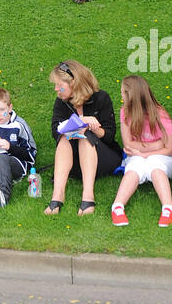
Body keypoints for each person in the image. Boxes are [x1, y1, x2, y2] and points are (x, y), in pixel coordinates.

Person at [45, 59, 122, 216]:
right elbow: (55, 131)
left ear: (74, 83)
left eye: (59, 85)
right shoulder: (61, 102)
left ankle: (88, 196)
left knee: (85, 135)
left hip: (102, 159)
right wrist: (80, 122)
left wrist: (94, 128)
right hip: (74, 162)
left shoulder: (101, 98)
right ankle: (57, 197)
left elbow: (109, 136)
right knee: (64, 137)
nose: (56, 89)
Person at [111, 76, 172, 228]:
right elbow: (128, 144)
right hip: (137, 155)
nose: (121, 95)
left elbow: (171, 148)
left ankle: (168, 207)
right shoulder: (125, 112)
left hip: (165, 157)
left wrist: (144, 153)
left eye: (123, 92)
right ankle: (117, 206)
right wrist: (157, 144)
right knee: (135, 165)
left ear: (131, 95)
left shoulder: (160, 114)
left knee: (155, 164)